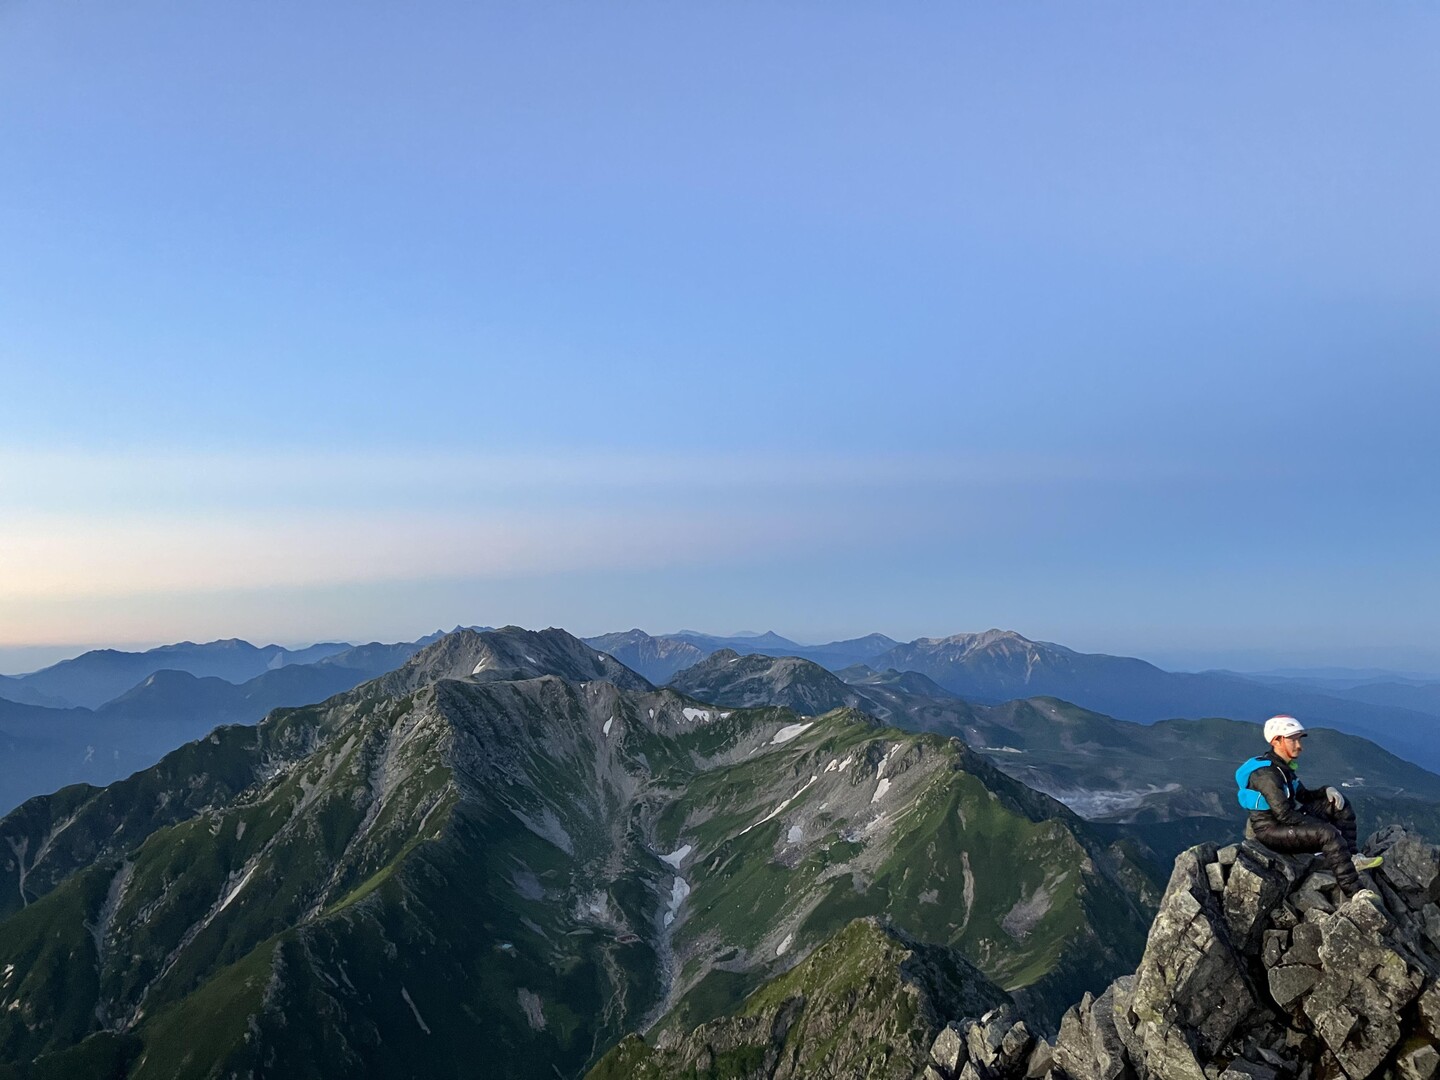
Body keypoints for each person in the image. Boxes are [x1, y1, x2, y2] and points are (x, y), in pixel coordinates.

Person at [1237, 714, 1382, 897]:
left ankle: (1352, 857)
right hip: (1271, 831)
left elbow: (1303, 796)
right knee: (1327, 833)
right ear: (1276, 741)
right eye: (1293, 740)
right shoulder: (1267, 775)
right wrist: (1320, 826)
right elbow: (1284, 815)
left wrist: (1325, 791)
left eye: (1299, 740)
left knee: (1338, 805)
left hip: (1284, 823)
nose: (1299, 746)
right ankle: (1355, 891)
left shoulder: (1282, 768)